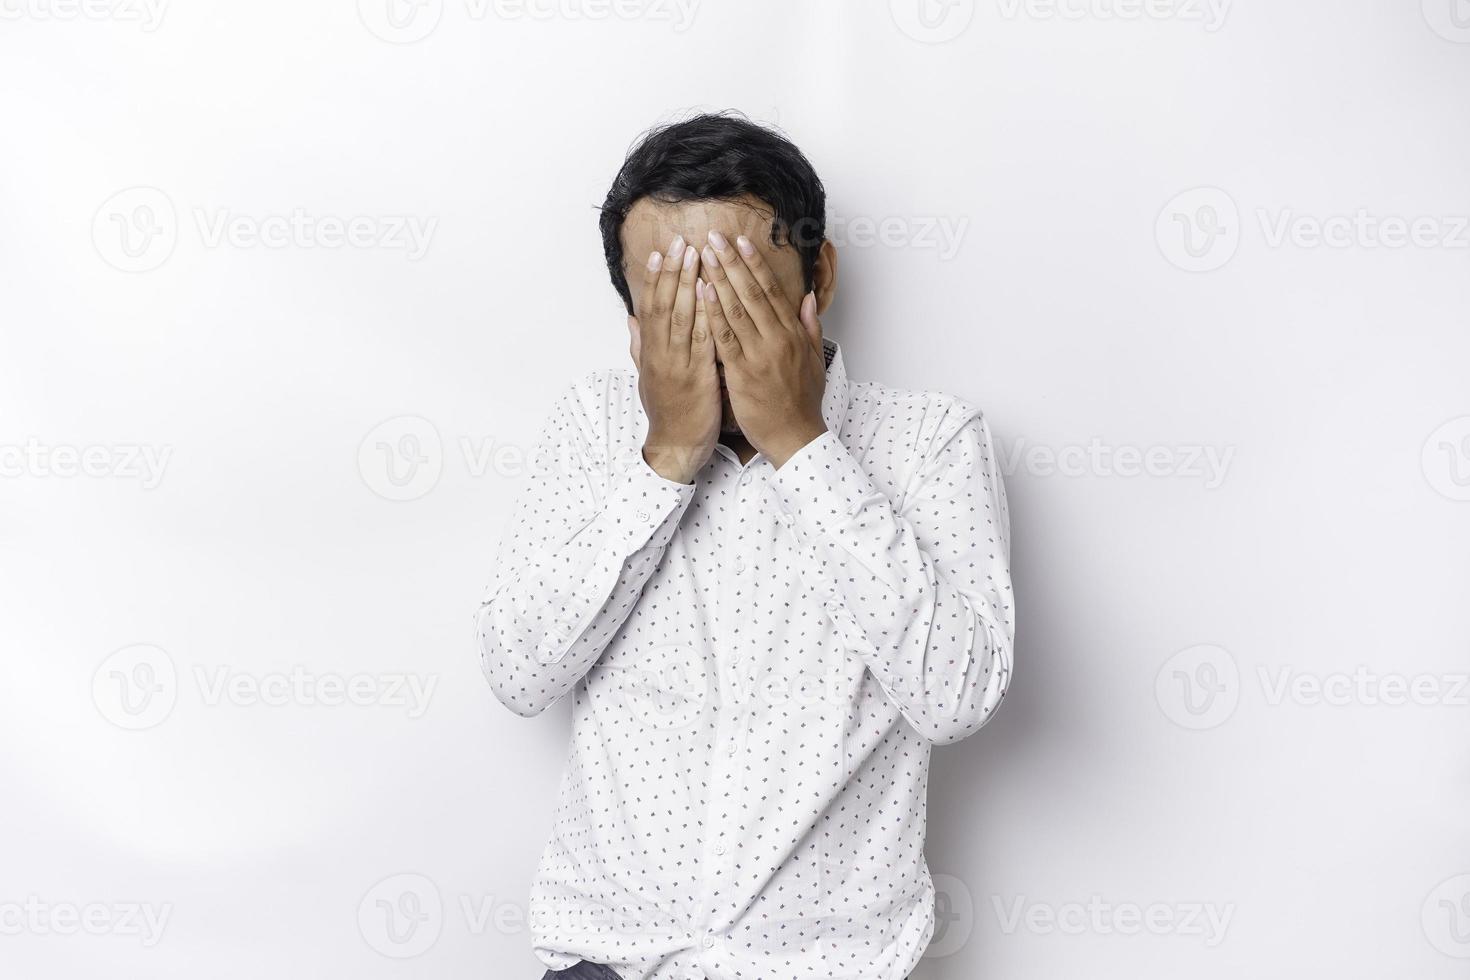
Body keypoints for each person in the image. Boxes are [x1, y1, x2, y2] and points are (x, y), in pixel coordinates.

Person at [476, 112, 1015, 980]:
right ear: (631, 317)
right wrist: (664, 463)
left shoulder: (930, 442)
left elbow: (955, 697)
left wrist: (805, 447)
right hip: (608, 961)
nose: (714, 331)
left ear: (819, 274)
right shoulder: (590, 426)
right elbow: (518, 671)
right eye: (677, 303)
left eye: (742, 294)